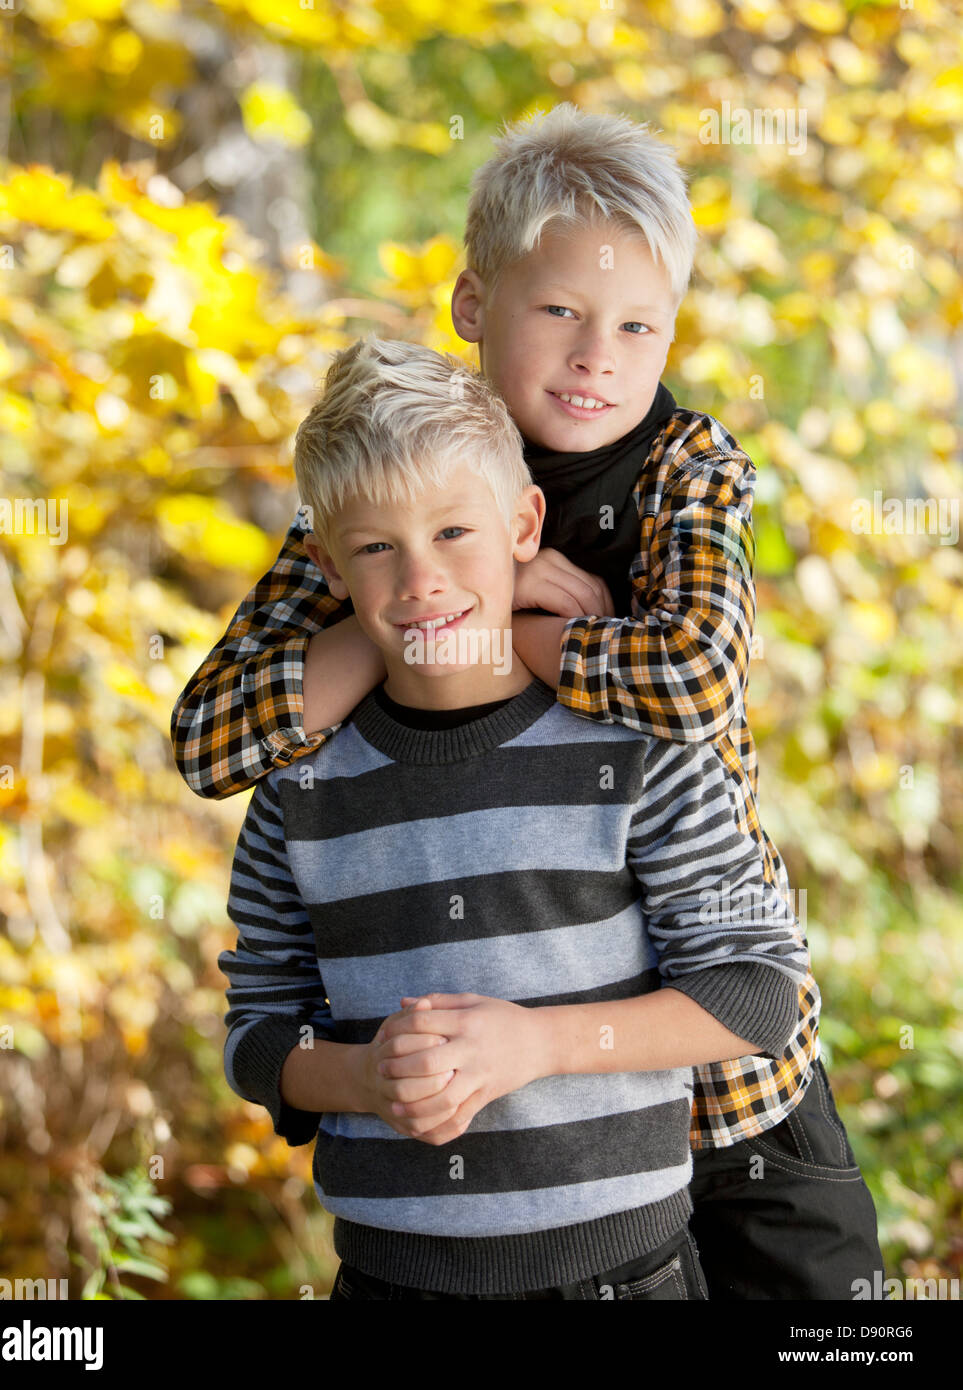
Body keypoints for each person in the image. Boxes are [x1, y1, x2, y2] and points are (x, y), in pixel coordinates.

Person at [176, 103, 884, 1299]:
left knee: (808, 1292)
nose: (595, 354)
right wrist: (448, 603)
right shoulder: (407, 476)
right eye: (557, 310)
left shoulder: (685, 470)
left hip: (711, 1030)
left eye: (636, 324)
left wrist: (536, 629)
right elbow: (213, 737)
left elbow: (698, 680)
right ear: (472, 309)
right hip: (527, 1082)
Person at [219, 336, 810, 1300]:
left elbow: (754, 991)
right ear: (326, 564)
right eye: (376, 547)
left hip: (624, 1277)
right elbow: (257, 1032)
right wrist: (359, 1080)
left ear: (524, 523)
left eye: (454, 532)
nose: (419, 581)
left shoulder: (630, 746)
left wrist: (540, 1045)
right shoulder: (301, 786)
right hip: (386, 1279)